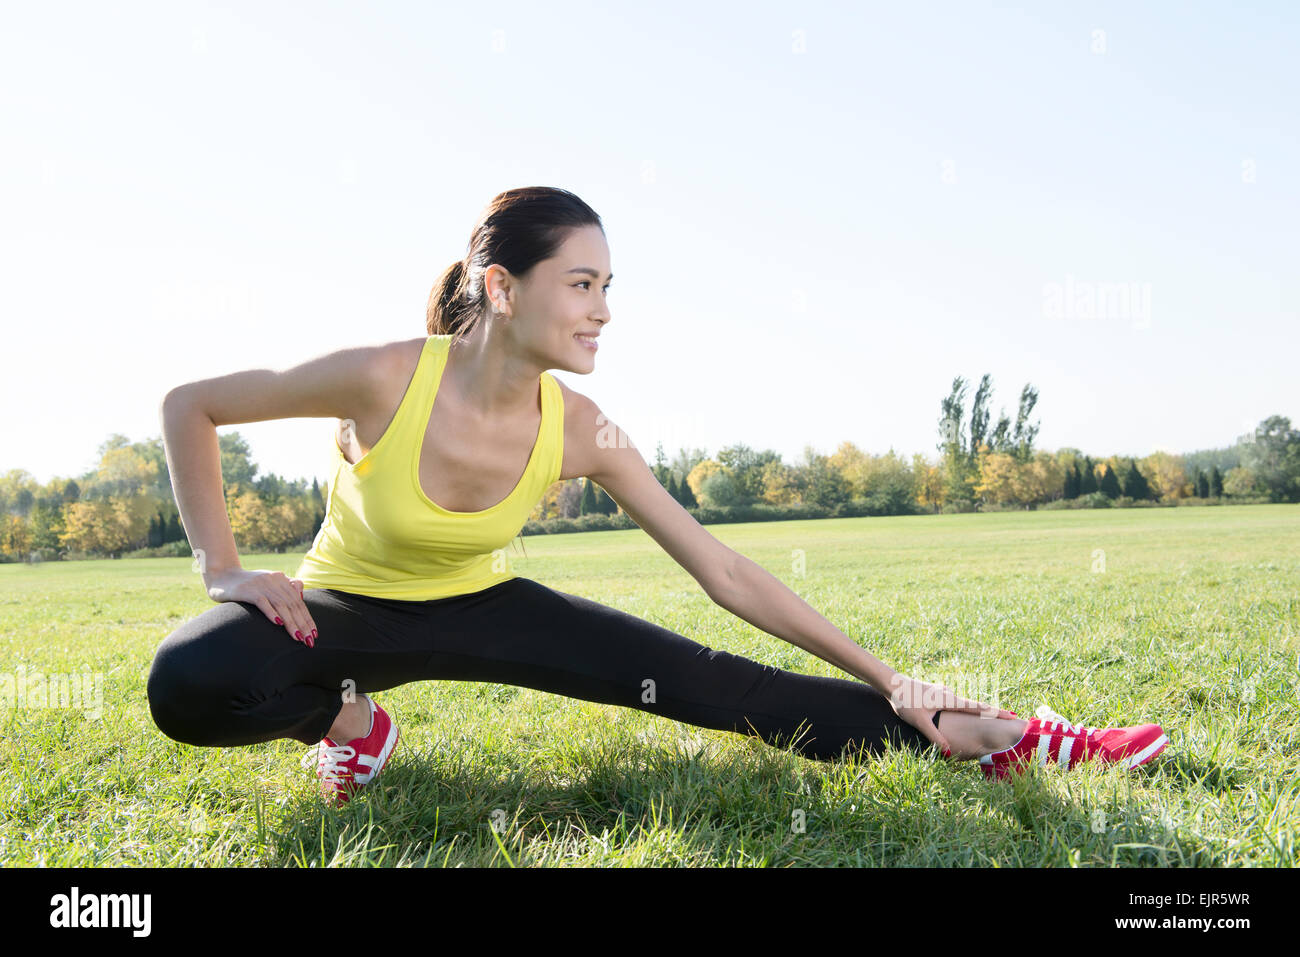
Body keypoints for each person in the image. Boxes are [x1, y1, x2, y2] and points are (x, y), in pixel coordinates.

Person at [147, 186, 1167, 806]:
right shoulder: (383, 376)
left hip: (488, 611)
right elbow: (190, 404)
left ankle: (1004, 737)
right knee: (190, 680)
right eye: (581, 285)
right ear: (501, 288)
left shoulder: (585, 432)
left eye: (609, 286)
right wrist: (225, 570)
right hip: (342, 616)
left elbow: (720, 569)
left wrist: (889, 676)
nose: (604, 312)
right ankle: (351, 731)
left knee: (722, 690)